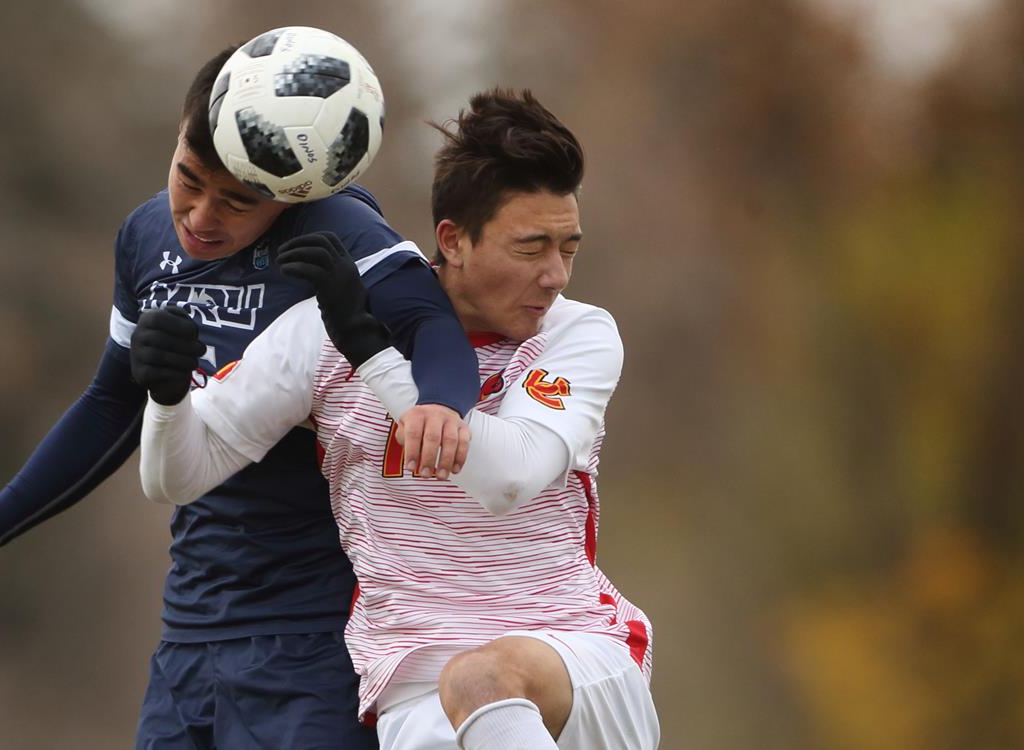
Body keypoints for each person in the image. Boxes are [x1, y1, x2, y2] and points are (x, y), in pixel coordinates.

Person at [0, 41, 483, 749]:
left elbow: (436, 329)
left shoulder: (338, 232)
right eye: (187, 178)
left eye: (236, 201)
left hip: (317, 637)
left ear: (290, 190)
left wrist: (441, 406)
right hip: (190, 635)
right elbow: (111, 409)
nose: (200, 216)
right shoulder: (145, 238)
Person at [133, 89, 658, 749]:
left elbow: (509, 478)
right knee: (465, 687)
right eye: (531, 248)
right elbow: (176, 476)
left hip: (572, 655)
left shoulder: (576, 334)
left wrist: (377, 358)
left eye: (568, 248)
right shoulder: (321, 333)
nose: (556, 276)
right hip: (411, 687)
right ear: (453, 241)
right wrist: (165, 397)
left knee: (480, 682)